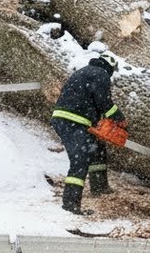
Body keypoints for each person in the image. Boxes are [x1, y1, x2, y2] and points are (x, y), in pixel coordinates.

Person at [51, 51, 125, 215]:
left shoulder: (85, 71)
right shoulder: (101, 74)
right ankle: (70, 205)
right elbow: (104, 102)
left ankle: (99, 187)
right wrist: (119, 118)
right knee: (80, 161)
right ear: (110, 66)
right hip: (72, 121)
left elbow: (92, 100)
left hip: (73, 119)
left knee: (97, 149)